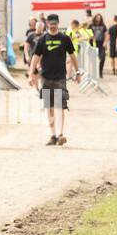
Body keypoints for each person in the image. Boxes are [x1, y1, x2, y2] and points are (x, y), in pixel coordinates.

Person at [28, 13, 79, 146]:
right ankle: (53, 134)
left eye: (55, 23)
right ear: (47, 24)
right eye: (50, 23)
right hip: (45, 77)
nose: (53, 25)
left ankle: (60, 134)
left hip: (60, 77)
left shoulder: (65, 38)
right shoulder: (43, 39)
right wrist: (31, 74)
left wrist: (77, 71)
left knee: (59, 106)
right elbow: (35, 57)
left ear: (58, 23)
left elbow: (73, 56)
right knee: (48, 107)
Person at [91, 14, 107, 79]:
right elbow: (88, 33)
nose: (98, 18)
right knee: (94, 60)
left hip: (101, 44)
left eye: (100, 17)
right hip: (93, 45)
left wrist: (105, 42)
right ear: (95, 18)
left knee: (103, 58)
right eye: (97, 17)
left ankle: (100, 72)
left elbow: (106, 34)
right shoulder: (91, 25)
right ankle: (94, 73)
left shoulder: (103, 25)